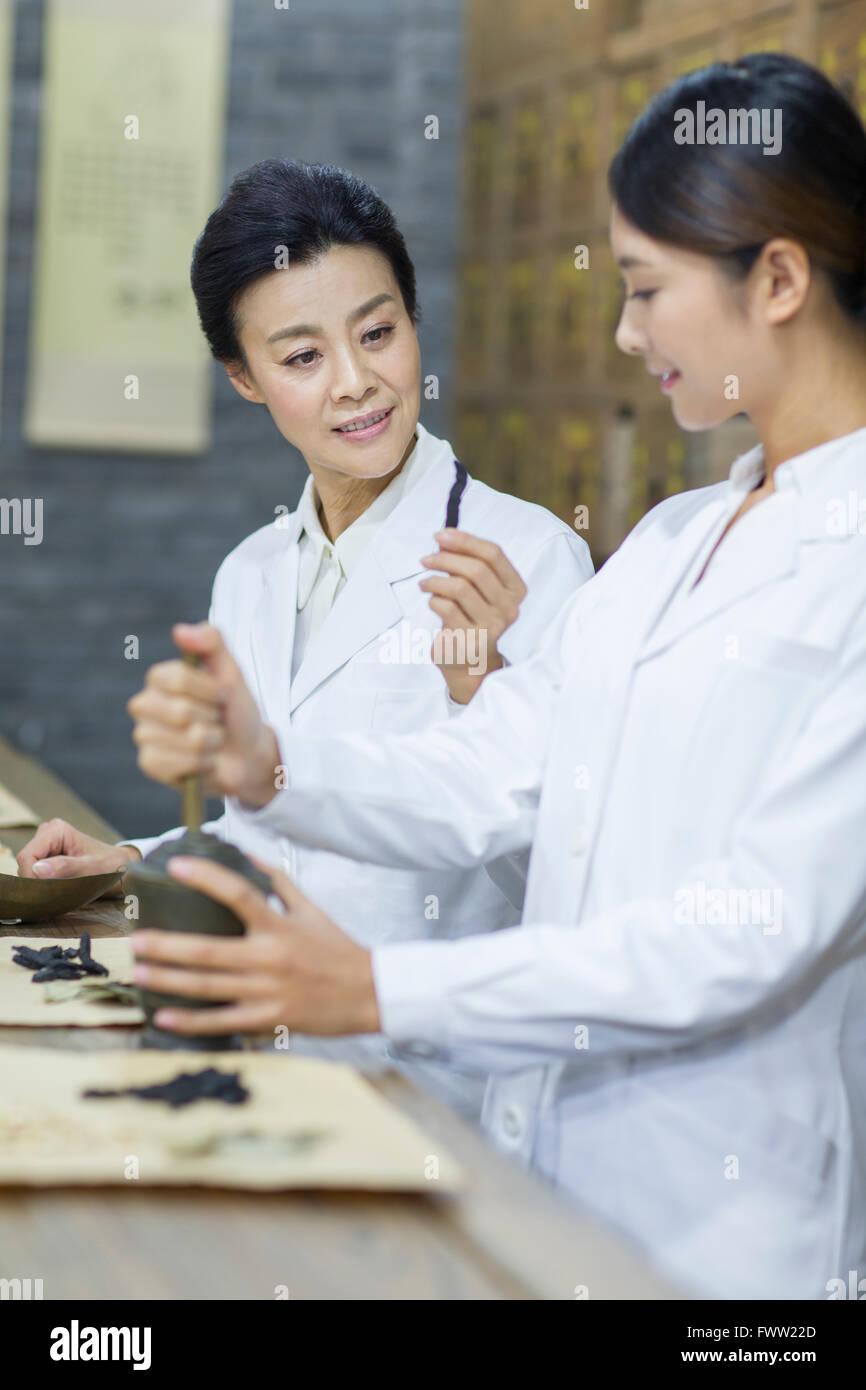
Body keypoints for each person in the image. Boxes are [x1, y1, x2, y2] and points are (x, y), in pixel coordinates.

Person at [121, 54, 866, 1298]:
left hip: (730, 1248)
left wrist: (374, 986)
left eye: (644, 287)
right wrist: (271, 765)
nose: (623, 330)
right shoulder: (674, 544)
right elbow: (497, 776)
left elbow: (741, 936)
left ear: (776, 278)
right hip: (543, 1188)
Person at [16, 160, 593, 1119]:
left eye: (379, 332)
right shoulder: (250, 573)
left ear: (414, 324)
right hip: (265, 1054)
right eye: (302, 357)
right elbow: (264, 828)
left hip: (435, 1080)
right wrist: (122, 862)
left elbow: (566, 876)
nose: (358, 383)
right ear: (244, 378)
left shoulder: (529, 557)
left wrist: (478, 685)